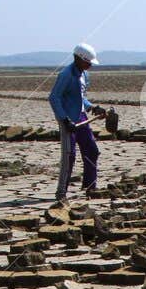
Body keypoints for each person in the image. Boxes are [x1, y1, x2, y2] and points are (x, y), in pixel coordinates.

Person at [50, 42, 106, 201]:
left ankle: (90, 187)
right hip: (69, 119)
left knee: (92, 151)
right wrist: (64, 119)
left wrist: (92, 107)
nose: (90, 65)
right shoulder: (66, 74)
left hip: (81, 117)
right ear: (78, 59)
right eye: (88, 62)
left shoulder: (84, 74)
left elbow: (80, 98)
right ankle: (61, 193)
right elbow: (54, 98)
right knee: (69, 156)